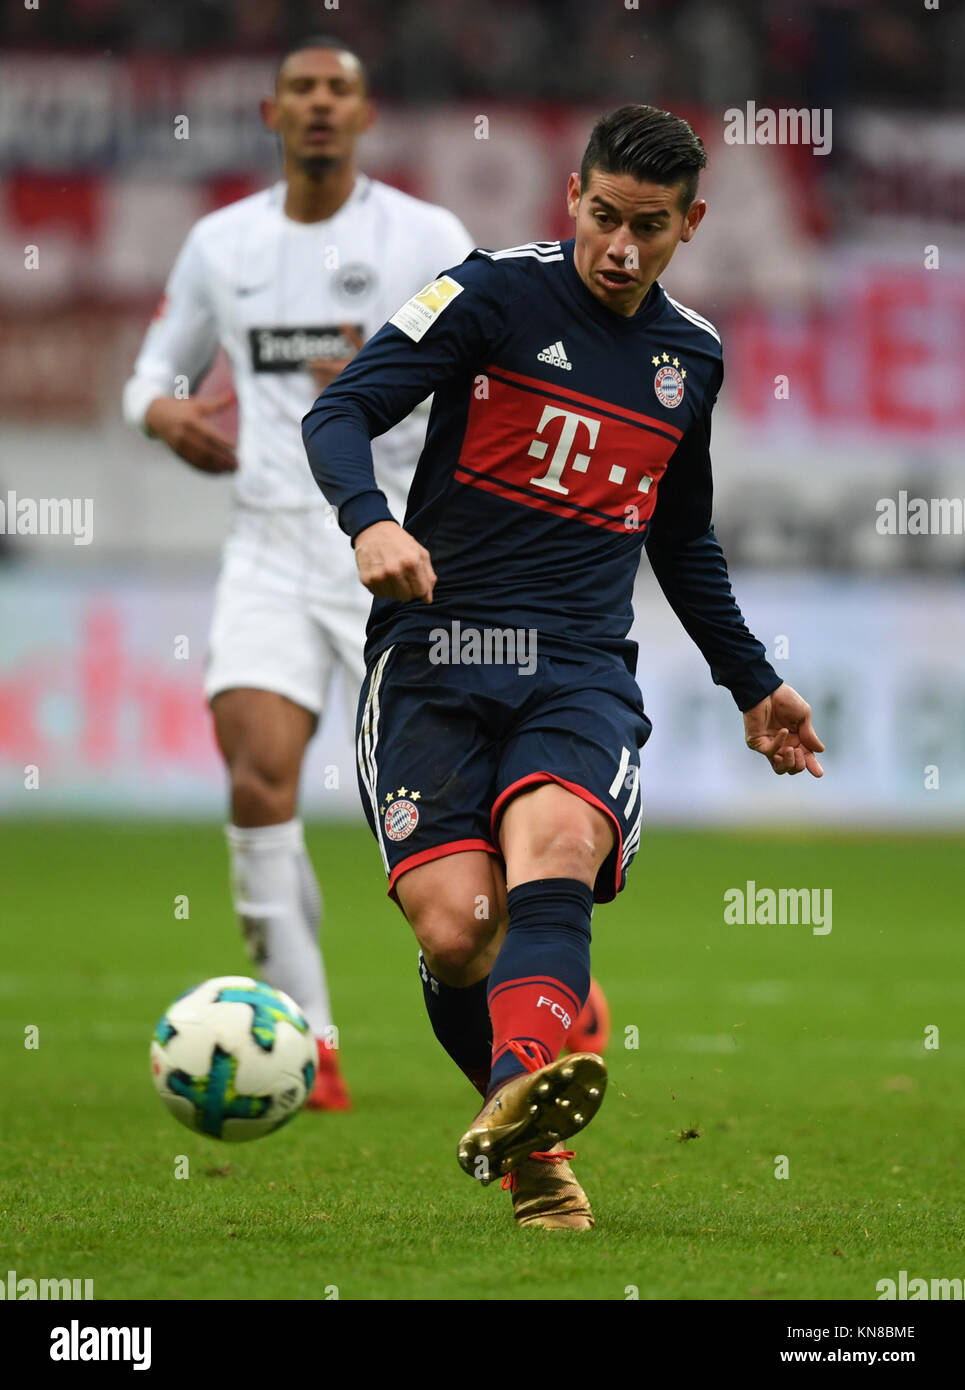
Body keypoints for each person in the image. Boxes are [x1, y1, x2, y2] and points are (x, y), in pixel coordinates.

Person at [303, 102, 824, 1227]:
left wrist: (751, 681)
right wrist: (367, 523)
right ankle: (526, 1103)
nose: (620, 247)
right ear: (570, 199)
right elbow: (341, 409)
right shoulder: (488, 292)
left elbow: (678, 537)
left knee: (556, 842)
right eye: (601, 217)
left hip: (576, 665)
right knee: (455, 934)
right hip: (434, 657)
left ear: (691, 223)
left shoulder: (690, 357)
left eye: (647, 225)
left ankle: (520, 1114)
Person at [121, 37, 477, 1110]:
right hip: (272, 545)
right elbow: (151, 371)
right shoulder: (219, 243)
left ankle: (518, 983)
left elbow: (486, 376)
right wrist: (162, 412)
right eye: (302, 91)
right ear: (273, 112)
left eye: (340, 91)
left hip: (401, 548)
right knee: (256, 775)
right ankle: (307, 1040)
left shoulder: (426, 236)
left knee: (434, 814)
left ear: (364, 117)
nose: (320, 106)